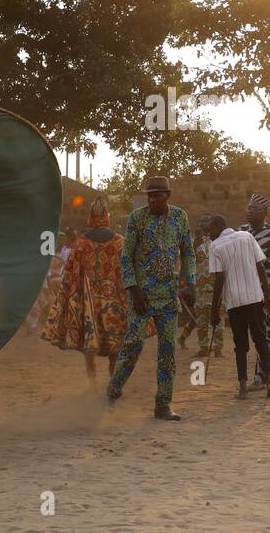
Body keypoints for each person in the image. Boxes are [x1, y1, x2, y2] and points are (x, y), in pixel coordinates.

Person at [107, 176, 196, 421]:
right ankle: (113, 389)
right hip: (142, 297)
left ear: (168, 195)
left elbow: (188, 251)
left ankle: (163, 404)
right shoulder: (137, 218)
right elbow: (126, 257)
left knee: (167, 352)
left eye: (157, 195)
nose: (152, 199)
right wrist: (133, 288)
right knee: (133, 344)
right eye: (149, 195)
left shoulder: (180, 217)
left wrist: (191, 284)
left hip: (168, 297)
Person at [42, 196, 136, 383]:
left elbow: (71, 275)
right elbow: (128, 272)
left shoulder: (81, 242)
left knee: (89, 346)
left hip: (88, 302)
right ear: (108, 216)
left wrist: (68, 301)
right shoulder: (119, 242)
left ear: (91, 217)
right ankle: (113, 384)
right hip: (114, 301)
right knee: (115, 346)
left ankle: (93, 386)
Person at [206, 215, 270, 400]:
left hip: (235, 301)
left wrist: (214, 310)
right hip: (255, 296)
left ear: (218, 227)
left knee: (240, 345)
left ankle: (243, 388)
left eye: (210, 229)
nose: (208, 234)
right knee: (262, 340)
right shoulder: (247, 236)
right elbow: (260, 267)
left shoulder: (215, 246)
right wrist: (268, 295)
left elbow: (219, 280)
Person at [237, 194, 270, 386]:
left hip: (267, 292)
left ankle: (261, 377)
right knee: (259, 334)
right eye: (249, 208)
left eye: (255, 209)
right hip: (246, 291)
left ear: (265, 213)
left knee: (263, 333)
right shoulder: (241, 232)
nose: (250, 212)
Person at [178, 215, 225, 357]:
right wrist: (185, 284)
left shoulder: (220, 242)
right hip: (199, 290)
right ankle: (203, 347)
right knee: (201, 322)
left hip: (216, 288)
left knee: (219, 320)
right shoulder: (194, 242)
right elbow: (187, 265)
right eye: (202, 221)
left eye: (207, 221)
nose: (204, 224)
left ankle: (218, 348)